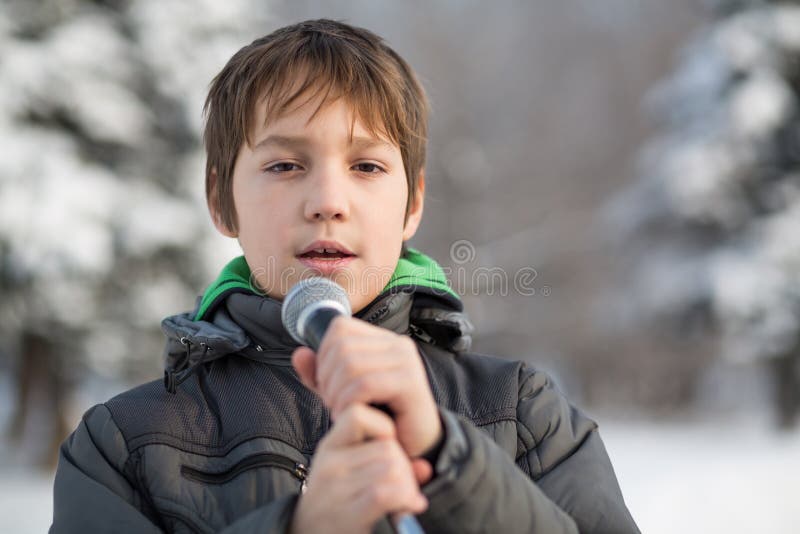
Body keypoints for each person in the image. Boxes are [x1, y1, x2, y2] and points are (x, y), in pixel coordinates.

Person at [50, 18, 640, 534]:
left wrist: (450, 462)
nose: (328, 202)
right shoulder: (123, 446)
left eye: (367, 166)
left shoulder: (521, 414)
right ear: (220, 199)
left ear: (413, 203)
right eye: (285, 165)